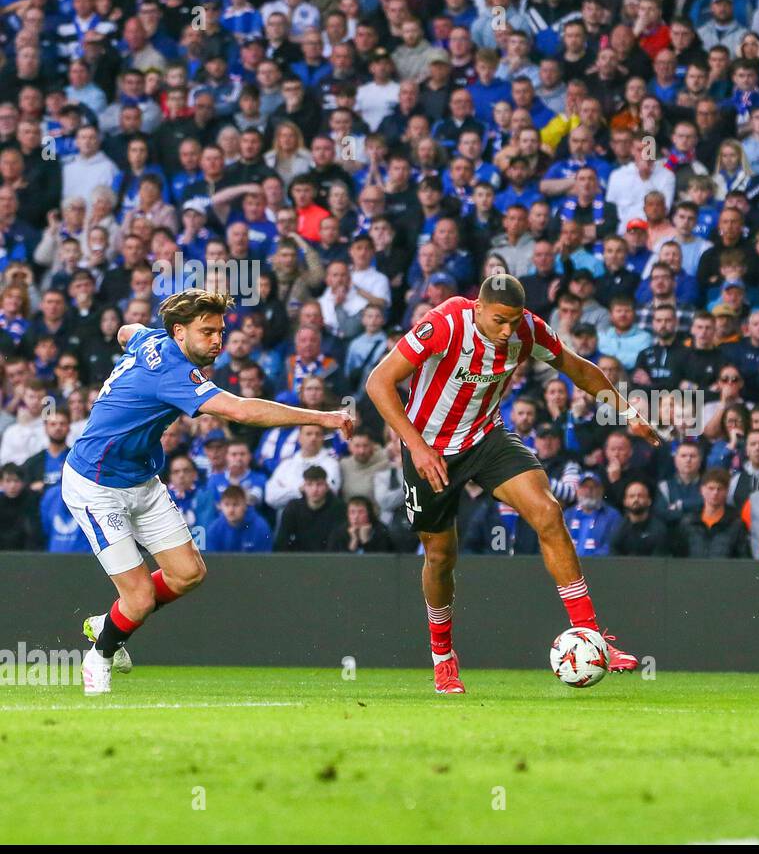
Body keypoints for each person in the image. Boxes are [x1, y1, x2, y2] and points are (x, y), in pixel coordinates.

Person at [365, 273, 663, 693]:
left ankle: (592, 637)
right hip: (429, 446)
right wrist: (415, 446)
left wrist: (627, 411)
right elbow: (378, 382)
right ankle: (443, 657)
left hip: (486, 437)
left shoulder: (527, 330)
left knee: (548, 512)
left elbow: (578, 368)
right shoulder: (445, 323)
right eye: (499, 321)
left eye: (514, 320)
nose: (508, 331)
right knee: (441, 557)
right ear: (479, 308)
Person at [66, 289, 354, 694]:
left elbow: (126, 332)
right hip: (95, 486)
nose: (217, 340)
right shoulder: (172, 371)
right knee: (140, 598)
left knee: (188, 574)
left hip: (141, 480)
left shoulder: (152, 338)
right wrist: (321, 417)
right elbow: (241, 410)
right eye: (208, 332)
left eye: (220, 331)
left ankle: (110, 623)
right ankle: (99, 657)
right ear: (180, 332)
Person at [205, 484, 274, 553]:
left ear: (245, 505)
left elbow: (265, 560)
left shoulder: (261, 527)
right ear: (221, 506)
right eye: (227, 504)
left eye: (236, 505)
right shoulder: (214, 529)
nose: (231, 510)